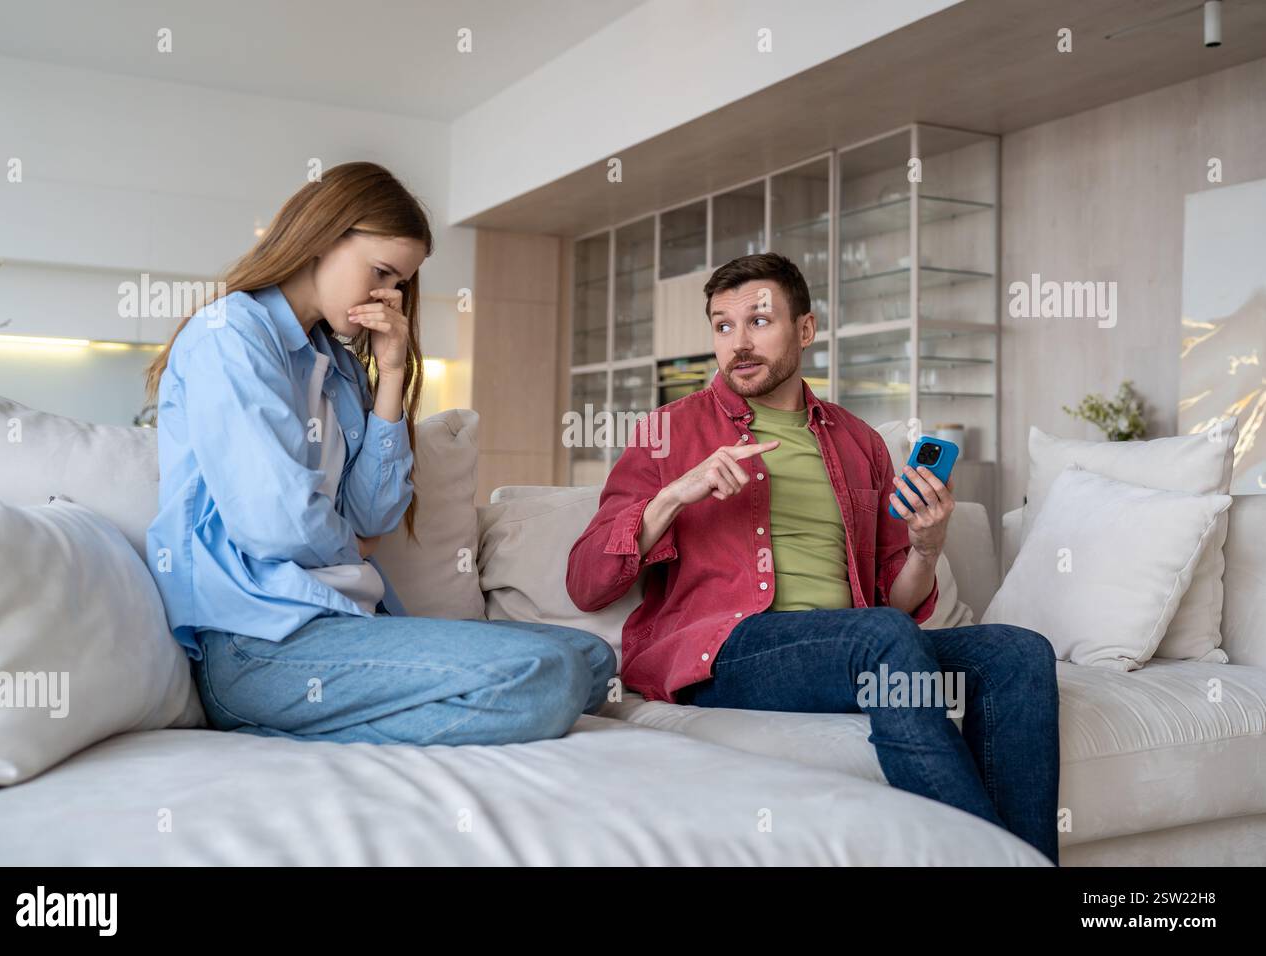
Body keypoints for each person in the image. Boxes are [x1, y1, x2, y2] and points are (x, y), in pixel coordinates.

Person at [566, 252, 1060, 863]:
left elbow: (894, 604)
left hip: (842, 650)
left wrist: (928, 548)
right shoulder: (667, 432)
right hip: (727, 653)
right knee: (880, 638)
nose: (738, 344)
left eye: (759, 321)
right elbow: (586, 582)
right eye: (723, 326)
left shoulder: (859, 442)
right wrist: (674, 495)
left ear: (805, 329)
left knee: (1017, 652)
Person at [144, 162, 615, 746]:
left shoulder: (337, 366)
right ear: (323, 235)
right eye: (381, 271)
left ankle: (329, 720)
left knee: (590, 657)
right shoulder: (231, 333)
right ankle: (281, 718)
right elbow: (275, 522)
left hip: (348, 623)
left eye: (399, 282)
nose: (386, 295)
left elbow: (373, 517)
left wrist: (390, 374)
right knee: (549, 672)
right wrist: (349, 546)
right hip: (260, 639)